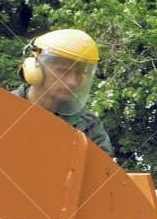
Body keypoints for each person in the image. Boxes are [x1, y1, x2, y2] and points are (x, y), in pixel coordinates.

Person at [13, 28, 115, 159]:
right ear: (35, 69)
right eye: (63, 71)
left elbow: (103, 170)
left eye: (79, 73)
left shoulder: (88, 125)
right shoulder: (4, 108)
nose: (73, 81)